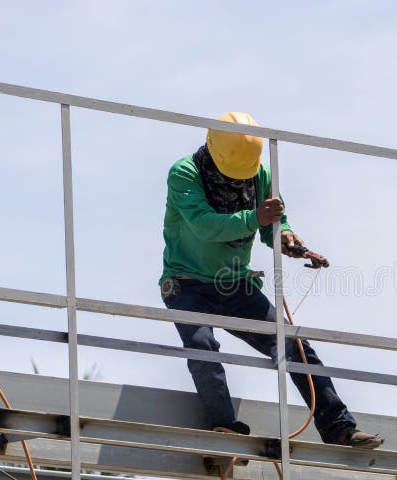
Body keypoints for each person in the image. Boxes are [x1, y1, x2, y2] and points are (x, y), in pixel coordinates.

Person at [159, 112, 383, 448]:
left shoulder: (257, 174)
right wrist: (256, 217)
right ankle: (224, 426)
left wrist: (288, 239)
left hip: (234, 283)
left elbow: (272, 224)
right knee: (203, 346)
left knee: (294, 348)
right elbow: (205, 225)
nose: (236, 182)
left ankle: (339, 428)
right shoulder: (184, 174)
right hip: (187, 283)